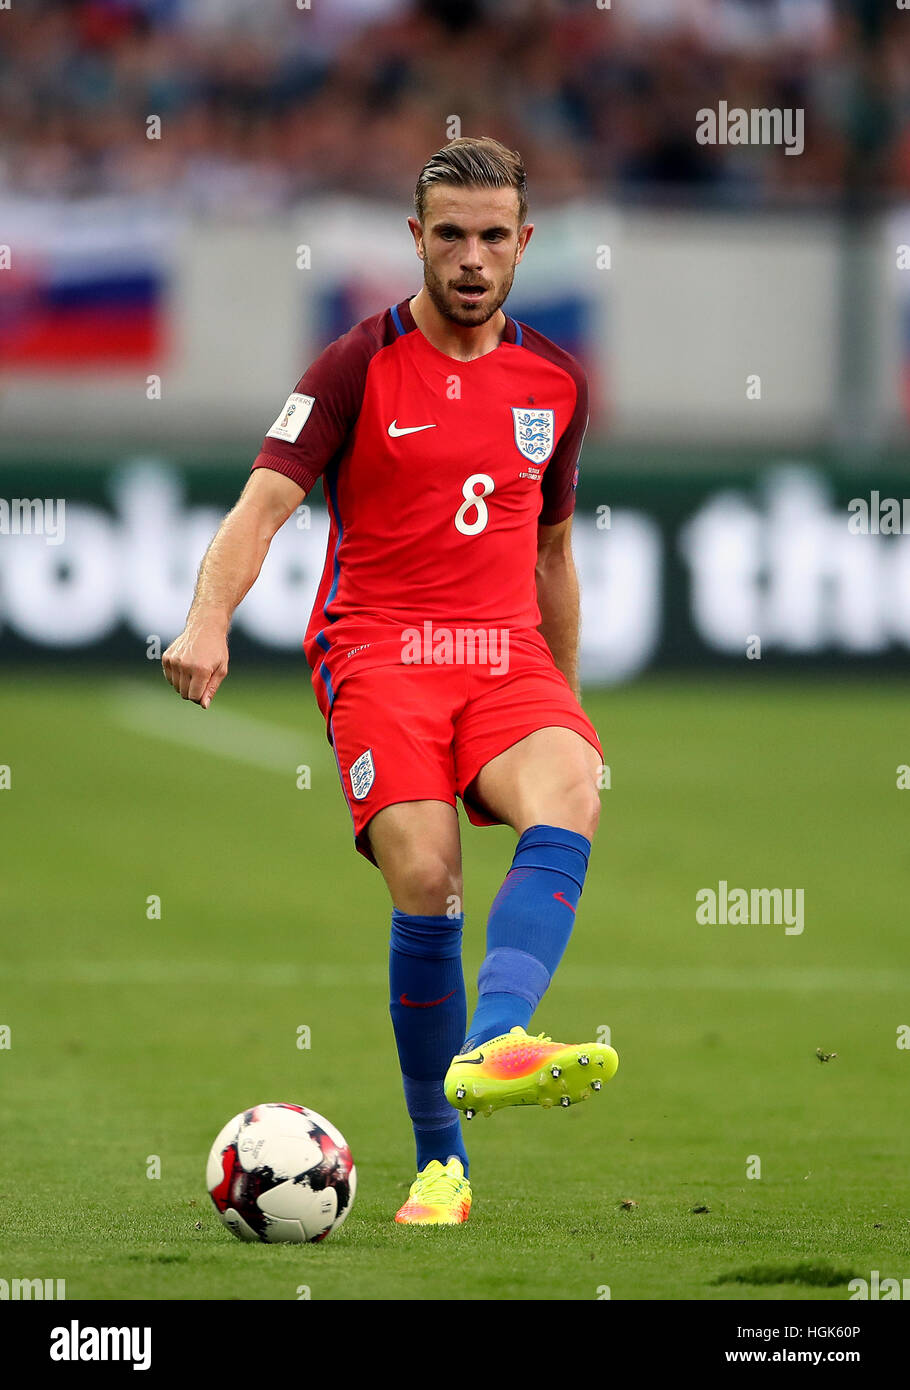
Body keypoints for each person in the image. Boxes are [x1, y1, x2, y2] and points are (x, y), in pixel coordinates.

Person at [162, 135, 619, 1226]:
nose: (471, 258)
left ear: (525, 243)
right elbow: (261, 503)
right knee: (429, 877)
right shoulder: (352, 367)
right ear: (415, 239)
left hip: (504, 653)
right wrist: (206, 620)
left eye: (492, 237)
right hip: (381, 652)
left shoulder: (556, 382)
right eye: (450, 235)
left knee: (573, 789)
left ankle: (495, 1038)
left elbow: (552, 553)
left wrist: (563, 696)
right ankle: (441, 1163)